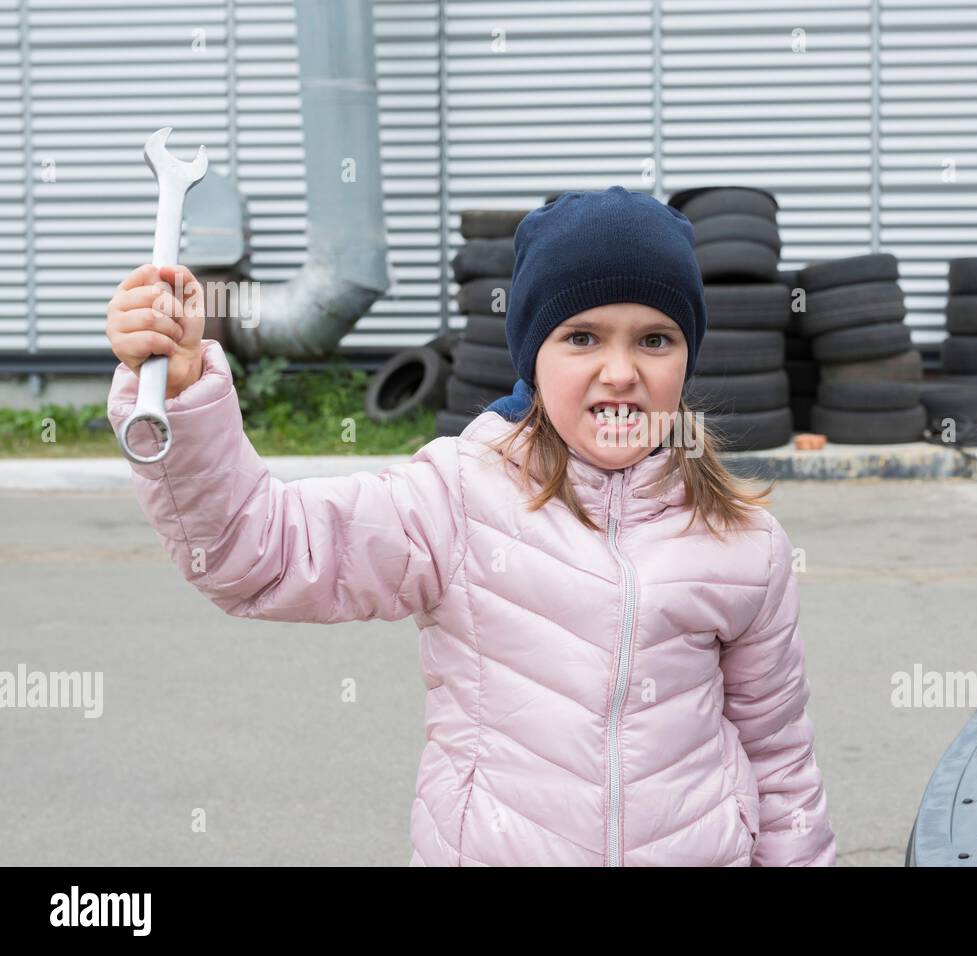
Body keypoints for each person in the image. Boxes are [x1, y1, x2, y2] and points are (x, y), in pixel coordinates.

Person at [103, 185, 836, 866]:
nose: (620, 372)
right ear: (532, 355)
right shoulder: (454, 497)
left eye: (655, 339)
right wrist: (182, 385)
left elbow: (779, 760)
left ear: (688, 357)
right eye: (582, 338)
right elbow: (254, 550)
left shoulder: (745, 543)